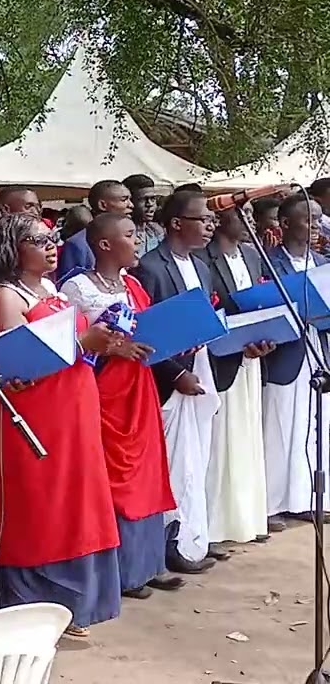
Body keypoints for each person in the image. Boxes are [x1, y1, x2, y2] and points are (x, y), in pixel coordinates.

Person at [0, 213, 124, 638]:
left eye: (51, 238)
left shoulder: (52, 289)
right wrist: (84, 341)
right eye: (38, 239)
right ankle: (32, 604)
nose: (50, 246)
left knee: (76, 501)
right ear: (13, 248)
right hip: (34, 411)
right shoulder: (5, 295)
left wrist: (101, 337)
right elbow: (17, 363)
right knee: (41, 503)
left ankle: (72, 603)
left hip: (73, 405)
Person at [59, 213, 182, 600]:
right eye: (129, 235)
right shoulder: (77, 288)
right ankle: (122, 570)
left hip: (138, 387)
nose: (137, 241)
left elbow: (147, 329)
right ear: (105, 244)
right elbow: (71, 341)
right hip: (103, 390)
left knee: (146, 471)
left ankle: (150, 563)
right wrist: (114, 347)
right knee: (114, 474)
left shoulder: (131, 285)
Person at [132, 189, 222, 573]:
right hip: (169, 379)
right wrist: (176, 372)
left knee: (197, 459)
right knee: (174, 465)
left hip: (199, 365)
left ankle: (194, 536)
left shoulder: (201, 264)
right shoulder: (151, 267)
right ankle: (170, 544)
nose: (210, 226)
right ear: (176, 223)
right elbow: (144, 332)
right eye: (202, 219)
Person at [201, 206, 276, 544]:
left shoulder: (252, 253)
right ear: (220, 221)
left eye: (250, 212)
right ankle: (217, 524)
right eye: (240, 213)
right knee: (223, 440)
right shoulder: (205, 257)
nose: (249, 218)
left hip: (252, 356)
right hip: (223, 357)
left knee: (248, 434)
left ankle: (248, 517)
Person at [262, 193, 330, 524]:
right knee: (279, 426)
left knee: (317, 424)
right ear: (286, 224)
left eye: (319, 219)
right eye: (309, 220)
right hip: (285, 354)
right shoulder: (269, 263)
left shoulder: (323, 264)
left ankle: (309, 498)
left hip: (319, 350)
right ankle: (273, 503)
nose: (316, 226)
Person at [57, 180, 133, 282]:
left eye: (130, 199)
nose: (131, 205)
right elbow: (67, 285)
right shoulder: (78, 245)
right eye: (124, 200)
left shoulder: (128, 237)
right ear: (102, 205)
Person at [124, 174, 165, 257]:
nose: (149, 204)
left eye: (153, 199)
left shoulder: (156, 232)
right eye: (143, 199)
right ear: (130, 202)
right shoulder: (123, 234)